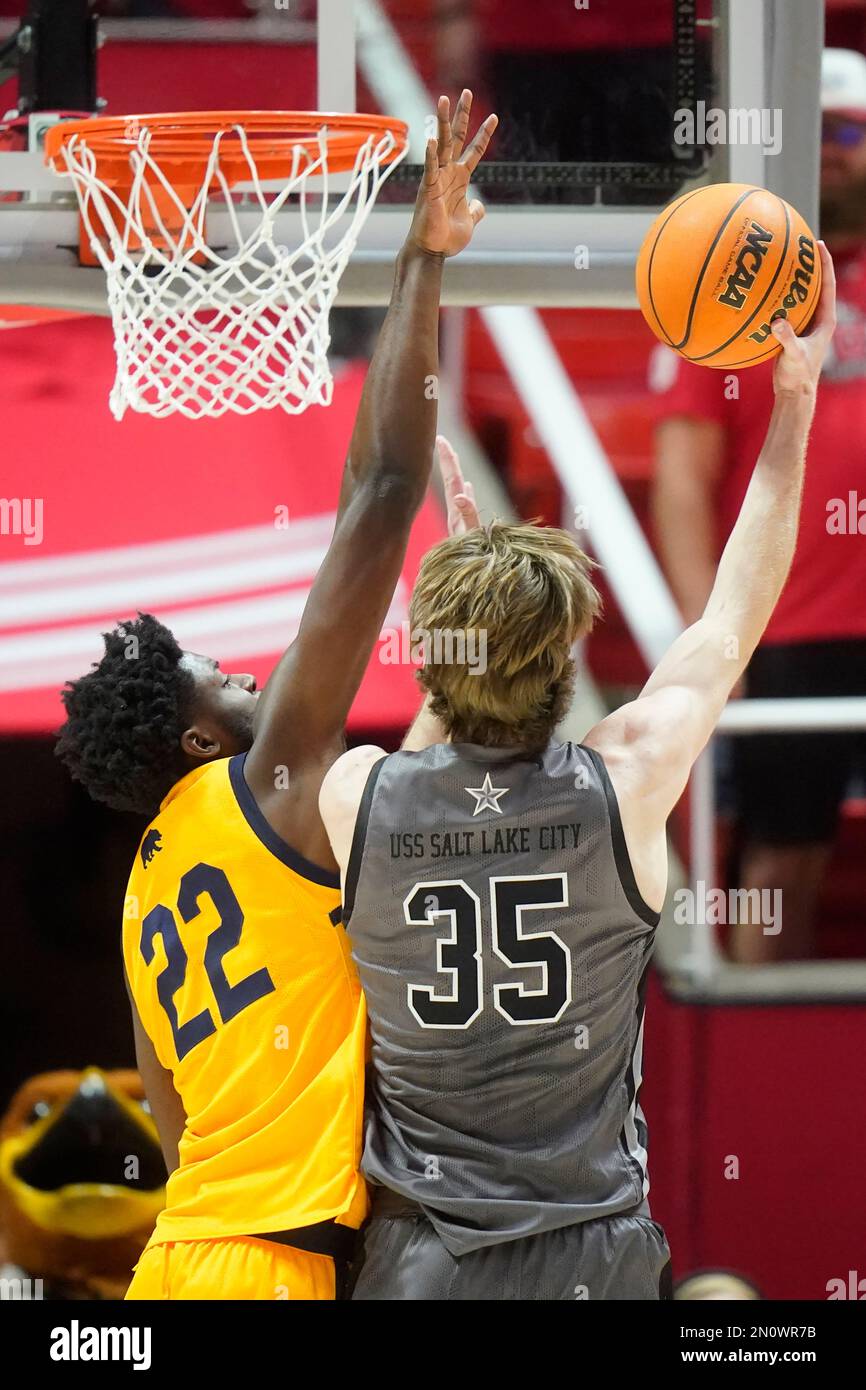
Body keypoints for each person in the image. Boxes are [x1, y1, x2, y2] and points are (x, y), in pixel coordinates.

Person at [319, 252, 837, 1300]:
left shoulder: (357, 794)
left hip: (423, 1258)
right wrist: (790, 396)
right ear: (564, 657)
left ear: (430, 655)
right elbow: (732, 616)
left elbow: (438, 721)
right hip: (589, 1253)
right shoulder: (628, 779)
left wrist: (465, 621)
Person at [54, 91, 497, 1301]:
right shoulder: (265, 783)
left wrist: (458, 622)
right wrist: (419, 254)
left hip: (180, 1261)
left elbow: (183, 1126)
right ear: (201, 735)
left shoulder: (152, 894)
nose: (257, 675)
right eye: (229, 677)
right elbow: (384, 484)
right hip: (261, 1269)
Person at [652, 47, 866, 963]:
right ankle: (752, 1039)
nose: (830, 152)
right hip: (788, 626)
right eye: (812, 133)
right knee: (783, 851)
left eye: (849, 132)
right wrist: (715, 635)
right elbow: (681, 479)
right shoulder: (728, 293)